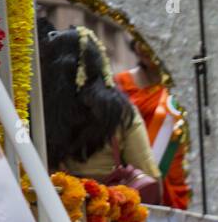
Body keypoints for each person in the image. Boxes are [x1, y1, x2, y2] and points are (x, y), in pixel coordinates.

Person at [42, 27, 158, 183]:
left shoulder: (40, 113)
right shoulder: (119, 109)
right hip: (114, 204)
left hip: (55, 204)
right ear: (98, 63)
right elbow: (147, 170)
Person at [115, 41, 190, 209]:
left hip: (176, 169)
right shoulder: (121, 83)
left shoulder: (183, 85)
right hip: (139, 169)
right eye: (142, 42)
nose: (147, 48)